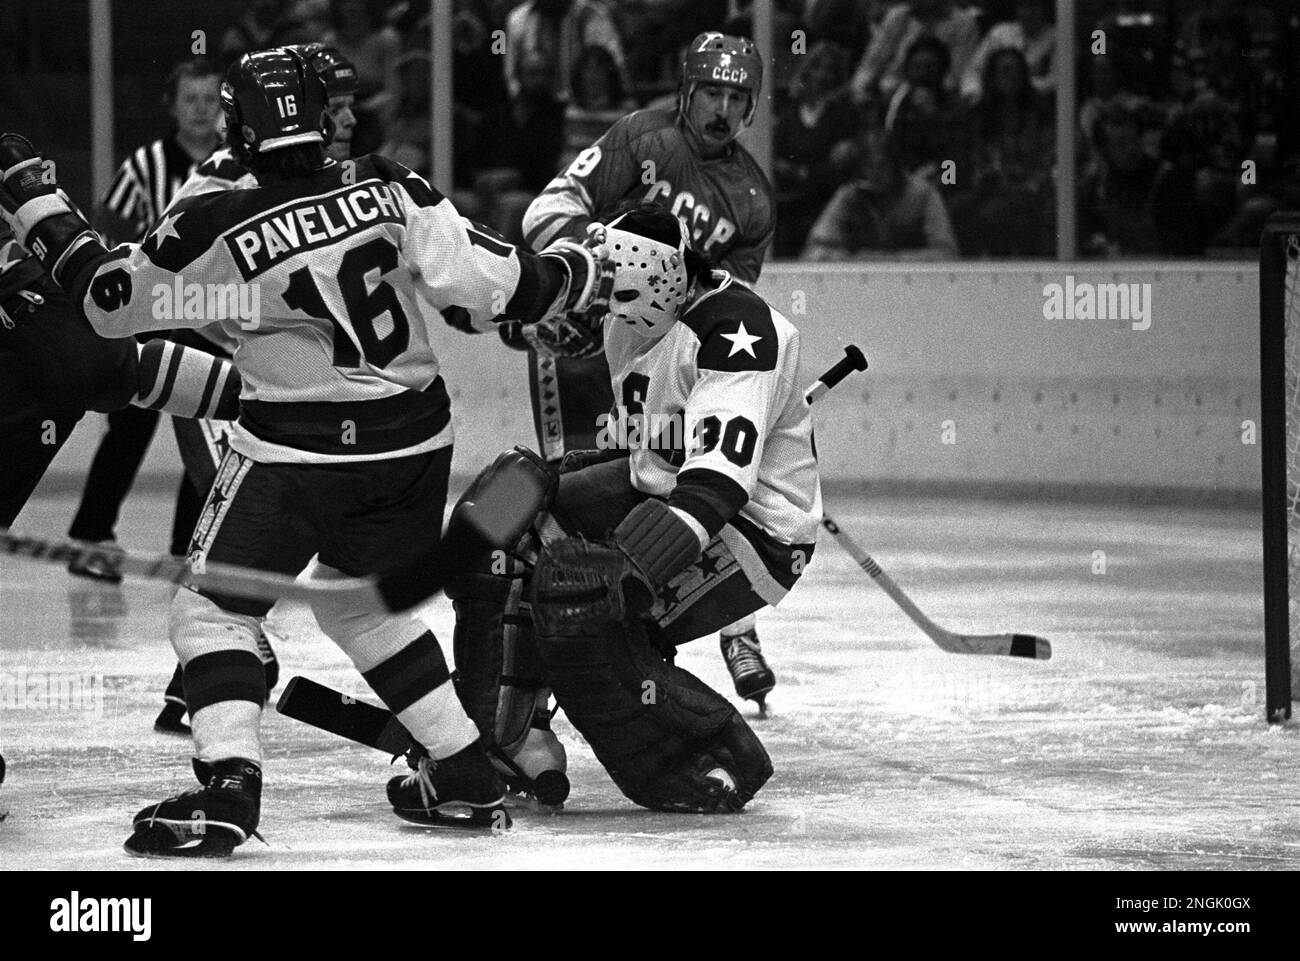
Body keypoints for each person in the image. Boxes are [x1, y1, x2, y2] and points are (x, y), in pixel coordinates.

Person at [0, 45, 613, 853]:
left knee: (210, 610)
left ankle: (228, 786)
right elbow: (495, 285)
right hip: (414, 441)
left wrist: (36, 199)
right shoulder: (390, 184)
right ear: (322, 117)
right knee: (362, 604)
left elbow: (111, 305)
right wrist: (574, 271)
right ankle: (464, 768)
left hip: (294, 450)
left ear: (239, 126)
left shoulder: (211, 213)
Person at [452, 202, 820, 812]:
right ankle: (502, 731)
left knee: (581, 603)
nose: (604, 308)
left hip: (756, 531)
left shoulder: (738, 334)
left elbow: (718, 488)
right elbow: (646, 453)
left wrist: (627, 569)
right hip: (662, 487)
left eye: (615, 293)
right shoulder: (629, 320)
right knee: (503, 520)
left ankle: (708, 756)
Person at [520, 31, 779, 710]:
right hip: (582, 350)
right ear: (687, 93)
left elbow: (729, 304)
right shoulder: (639, 138)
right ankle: (547, 660)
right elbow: (549, 210)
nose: (723, 109)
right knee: (567, 506)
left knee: (684, 478)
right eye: (712, 93)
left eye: (737, 97)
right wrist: (586, 280)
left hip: (661, 361)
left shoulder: (751, 198)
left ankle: (729, 623)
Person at [149, 43, 361, 736]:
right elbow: (160, 273)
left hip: (270, 384)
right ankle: (228, 669)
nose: (352, 117)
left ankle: (195, 685)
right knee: (240, 543)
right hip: (220, 375)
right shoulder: (227, 177)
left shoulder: (318, 171)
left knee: (244, 540)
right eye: (339, 104)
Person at [65, 58, 224, 582]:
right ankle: (91, 535)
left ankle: (188, 549)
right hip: (152, 317)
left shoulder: (236, 164)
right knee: (130, 428)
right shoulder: (144, 166)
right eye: (190, 100)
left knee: (208, 430)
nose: (200, 110)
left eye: (210, 99)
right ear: (172, 106)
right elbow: (108, 238)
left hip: (213, 317)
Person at [0, 225, 241, 529]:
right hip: (60, 299)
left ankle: (95, 529)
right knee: (117, 387)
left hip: (62, 296)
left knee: (121, 395)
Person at [802, 128, 959, 260]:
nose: (875, 174)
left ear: (896, 166)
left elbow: (947, 253)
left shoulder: (923, 195)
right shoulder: (848, 196)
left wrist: (892, 260)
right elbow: (814, 250)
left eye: (882, 166)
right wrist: (851, 259)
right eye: (868, 166)